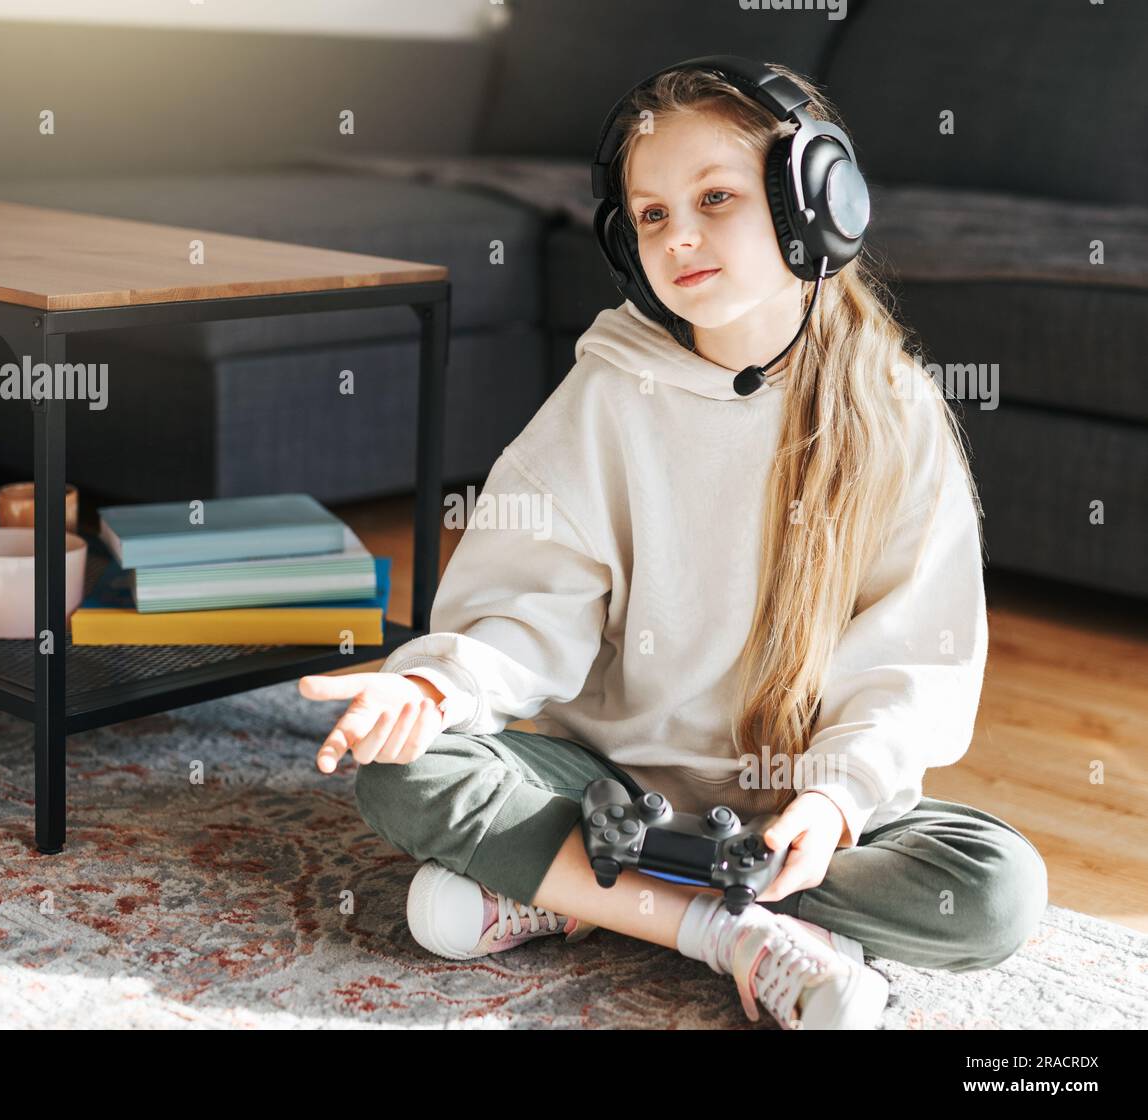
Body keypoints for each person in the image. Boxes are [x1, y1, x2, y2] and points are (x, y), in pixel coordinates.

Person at [298, 59, 1048, 1031]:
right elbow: (534, 604)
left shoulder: (893, 414)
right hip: (611, 787)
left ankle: (573, 892)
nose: (678, 234)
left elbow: (912, 663)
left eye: (714, 197)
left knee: (995, 890)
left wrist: (832, 805)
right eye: (649, 215)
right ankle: (729, 934)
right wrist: (436, 685)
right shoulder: (608, 394)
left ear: (816, 203)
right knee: (408, 772)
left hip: (793, 810)